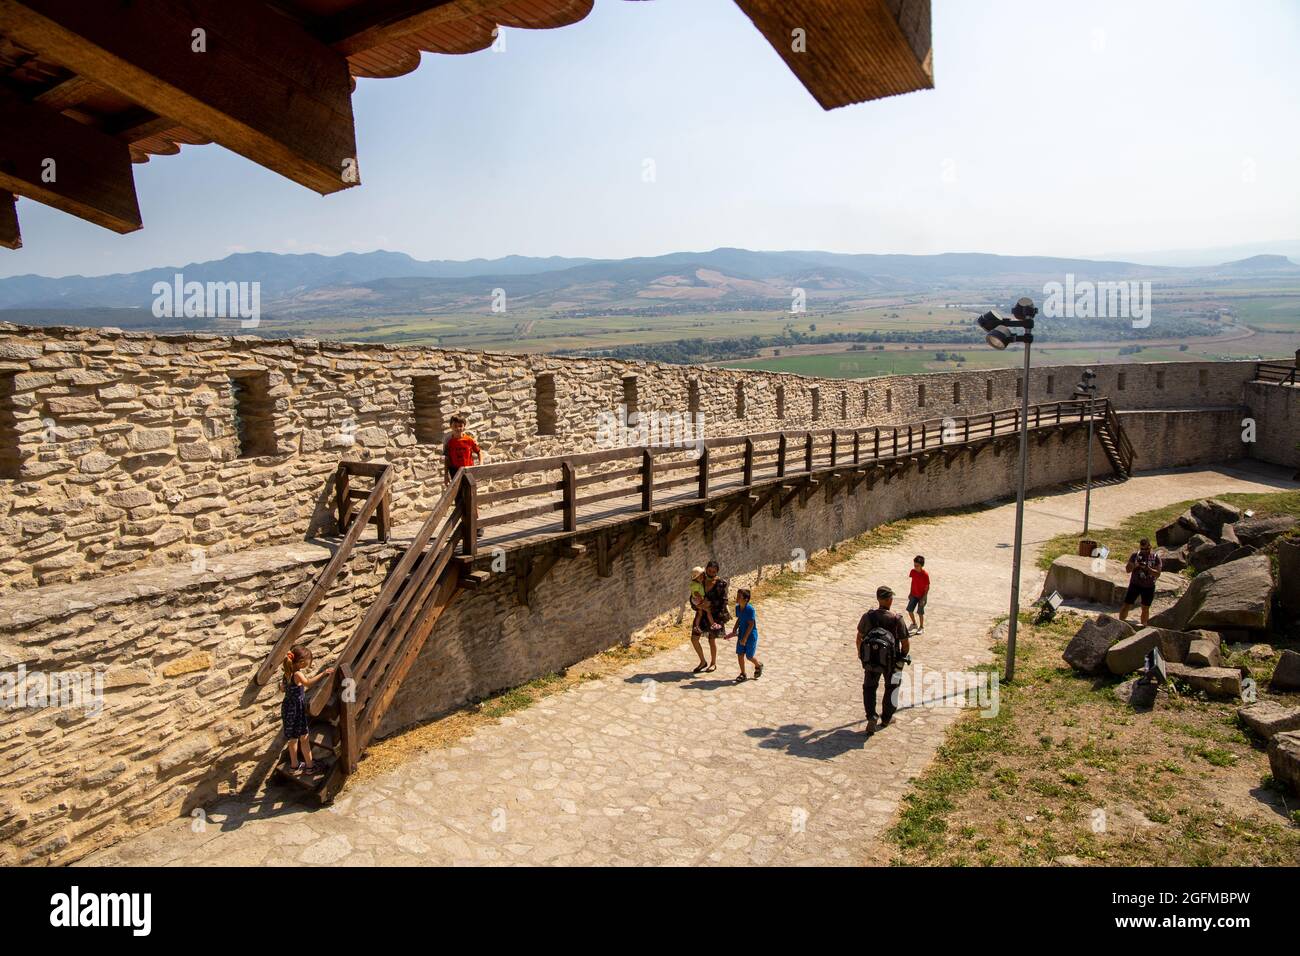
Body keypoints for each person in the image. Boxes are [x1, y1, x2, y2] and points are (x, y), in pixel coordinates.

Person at [856, 585, 910, 735]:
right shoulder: (896, 619)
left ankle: (871, 717)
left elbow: (859, 638)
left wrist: (862, 656)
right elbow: (905, 644)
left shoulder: (868, 617)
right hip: (891, 661)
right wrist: (902, 658)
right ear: (889, 600)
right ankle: (886, 718)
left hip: (871, 660)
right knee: (892, 688)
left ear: (878, 599)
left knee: (869, 688)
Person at [281, 645, 334, 773]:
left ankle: (294, 765)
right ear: (301, 662)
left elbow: (282, 688)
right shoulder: (297, 674)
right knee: (304, 738)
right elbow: (308, 683)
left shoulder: (287, 672)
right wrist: (323, 673)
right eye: (308, 660)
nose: (310, 663)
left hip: (287, 707)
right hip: (297, 709)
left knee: (292, 738)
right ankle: (310, 766)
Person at [443, 414, 483, 531]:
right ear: (451, 426)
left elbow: (479, 452)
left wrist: (480, 464)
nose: (458, 428)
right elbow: (447, 459)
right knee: (459, 499)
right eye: (455, 426)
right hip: (455, 471)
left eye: (460, 426)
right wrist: (445, 475)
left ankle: (477, 526)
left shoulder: (469, 440)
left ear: (464, 426)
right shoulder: (449, 442)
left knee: (471, 496)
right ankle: (464, 525)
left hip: (468, 470)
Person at [1118, 538, 1163, 626]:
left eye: (1146, 549)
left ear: (1150, 547)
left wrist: (1148, 569)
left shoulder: (1155, 558)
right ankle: (1120, 623)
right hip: (1135, 584)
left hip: (1148, 586)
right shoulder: (1135, 555)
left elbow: (1158, 574)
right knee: (1127, 605)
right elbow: (1127, 570)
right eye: (1142, 549)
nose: (1144, 551)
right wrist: (1136, 565)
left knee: (1145, 608)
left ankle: (1143, 626)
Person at [688, 566, 721, 672]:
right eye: (709, 571)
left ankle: (713, 663)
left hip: (712, 615)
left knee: (711, 640)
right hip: (701, 613)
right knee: (694, 639)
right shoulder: (698, 583)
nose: (711, 573)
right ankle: (702, 661)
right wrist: (697, 606)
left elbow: (722, 601)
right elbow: (692, 597)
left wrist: (710, 604)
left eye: (714, 571)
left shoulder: (720, 583)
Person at [729, 588, 764, 682]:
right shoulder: (737, 607)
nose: (737, 598)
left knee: (749, 656)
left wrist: (745, 638)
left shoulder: (750, 609)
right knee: (740, 654)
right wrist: (734, 629)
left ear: (746, 599)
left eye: (739, 597)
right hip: (741, 634)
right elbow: (739, 619)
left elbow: (751, 625)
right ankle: (743, 674)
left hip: (750, 636)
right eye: (737, 596)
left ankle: (758, 665)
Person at [906, 554, 930, 634]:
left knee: (920, 612)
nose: (915, 567)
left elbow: (927, 587)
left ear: (921, 565)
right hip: (914, 594)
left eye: (917, 565)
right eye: (914, 565)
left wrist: (924, 598)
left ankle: (921, 627)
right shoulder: (912, 572)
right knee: (909, 610)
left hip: (922, 596)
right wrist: (910, 593)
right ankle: (914, 624)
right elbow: (912, 583)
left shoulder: (925, 575)